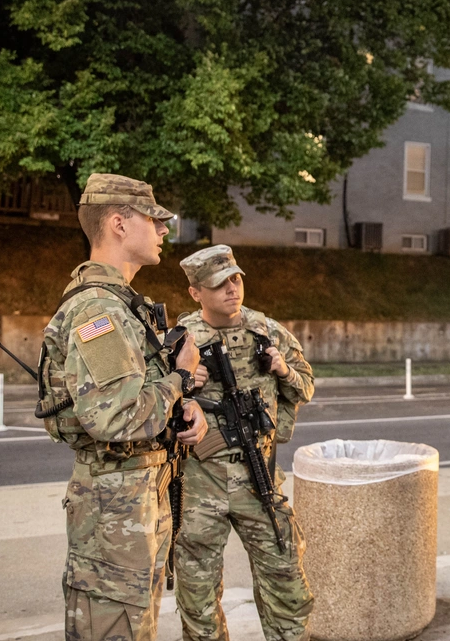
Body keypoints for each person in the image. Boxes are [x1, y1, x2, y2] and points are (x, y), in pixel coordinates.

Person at [38, 173, 208, 640]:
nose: (164, 230)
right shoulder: (100, 310)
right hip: (114, 505)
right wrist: (180, 378)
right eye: (153, 220)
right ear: (118, 223)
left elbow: (136, 396)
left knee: (136, 628)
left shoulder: (122, 304)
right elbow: (114, 417)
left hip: (136, 496)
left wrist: (185, 407)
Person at [174, 245, 315, 641]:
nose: (232, 289)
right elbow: (151, 407)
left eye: (236, 279)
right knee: (197, 598)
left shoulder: (267, 330)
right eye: (219, 284)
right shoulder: (180, 340)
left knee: (287, 584)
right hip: (200, 485)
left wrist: (283, 370)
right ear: (196, 293)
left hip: (260, 479)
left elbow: (306, 386)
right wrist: (183, 383)